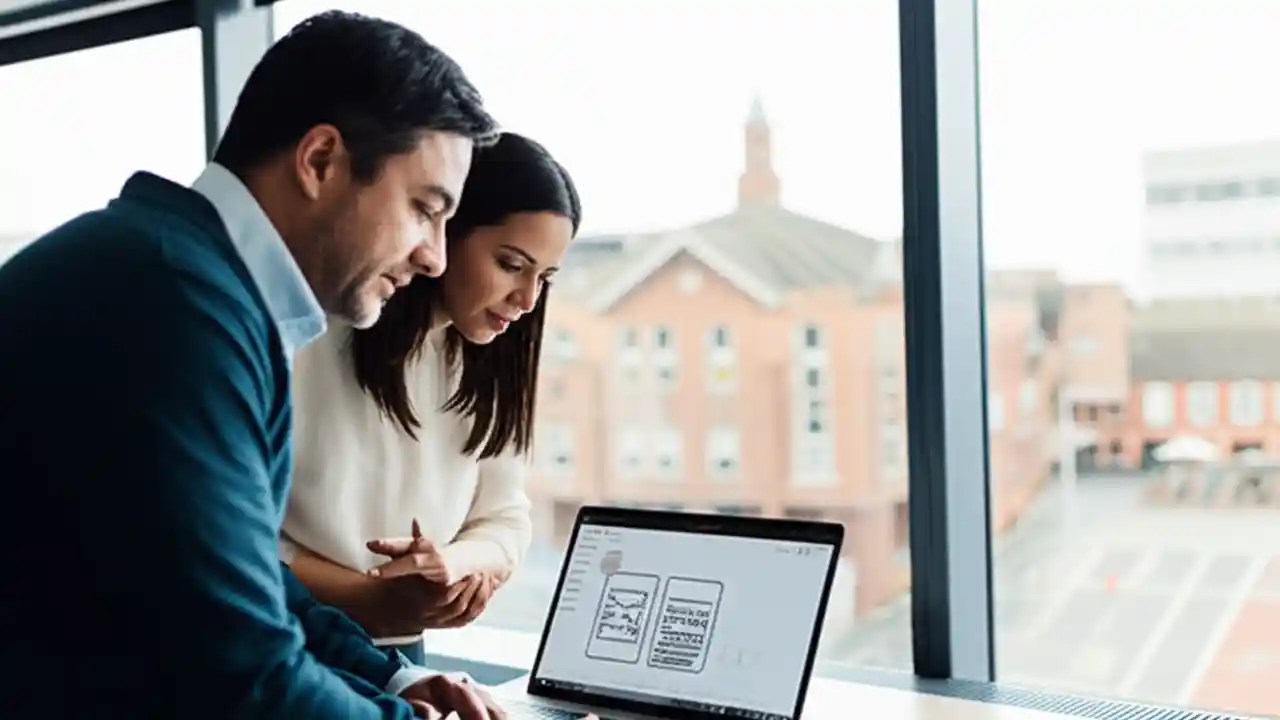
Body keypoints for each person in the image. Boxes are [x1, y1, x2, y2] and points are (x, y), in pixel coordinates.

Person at [0, 10, 517, 719]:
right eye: (425, 209)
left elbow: (245, 587)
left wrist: (390, 680)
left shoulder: (185, 280)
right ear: (320, 161)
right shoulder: (173, 310)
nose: (434, 256)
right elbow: (236, 668)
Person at [282, 132, 582, 664]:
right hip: (288, 639)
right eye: (511, 264)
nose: (527, 300)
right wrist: (369, 598)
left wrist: (453, 567)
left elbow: (506, 518)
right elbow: (238, 538)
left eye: (545, 278)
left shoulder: (489, 361)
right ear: (447, 231)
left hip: (403, 647)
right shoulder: (309, 336)